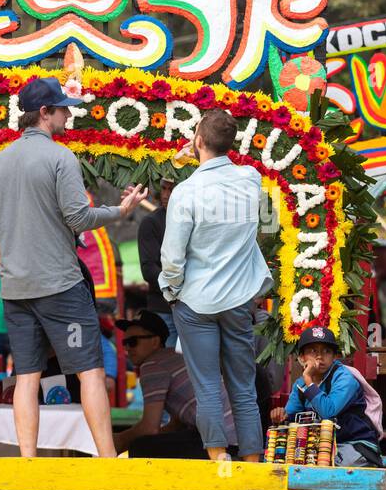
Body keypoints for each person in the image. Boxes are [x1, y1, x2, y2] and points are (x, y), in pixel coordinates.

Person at [0, 76, 147, 457]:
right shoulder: (60, 157)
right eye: (63, 109)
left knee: (26, 377)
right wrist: (121, 210)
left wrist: (11, 248)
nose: (68, 115)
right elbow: (79, 218)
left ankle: (28, 462)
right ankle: (106, 459)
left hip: (16, 289)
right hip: (61, 287)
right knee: (91, 372)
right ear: (45, 113)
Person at [160, 109, 270, 463]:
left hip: (195, 302)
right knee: (243, 386)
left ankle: (219, 458)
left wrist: (171, 289)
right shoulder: (251, 179)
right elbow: (268, 224)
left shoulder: (185, 192)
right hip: (240, 300)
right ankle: (252, 459)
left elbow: (172, 256)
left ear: (198, 141)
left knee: (207, 385)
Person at [112, 310, 236, 456]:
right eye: (124, 343)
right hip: (235, 437)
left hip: (220, 442)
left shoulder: (152, 365)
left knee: (139, 447)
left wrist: (118, 440)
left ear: (155, 341)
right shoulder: (176, 358)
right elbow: (176, 425)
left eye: (133, 342)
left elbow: (149, 428)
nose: (127, 349)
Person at [269, 326, 383, 467]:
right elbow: (292, 417)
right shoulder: (301, 384)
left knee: (325, 466)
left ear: (335, 357)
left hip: (355, 445)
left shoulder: (344, 377)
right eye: (313, 351)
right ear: (301, 357)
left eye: (326, 351)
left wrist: (309, 381)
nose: (319, 356)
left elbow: (328, 412)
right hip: (320, 447)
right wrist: (281, 415)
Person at [138, 177, 179, 347]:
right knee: (169, 365)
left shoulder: (198, 218)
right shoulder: (151, 222)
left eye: (171, 189)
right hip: (164, 309)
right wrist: (175, 291)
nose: (166, 195)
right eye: (163, 189)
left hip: (194, 307)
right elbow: (148, 269)